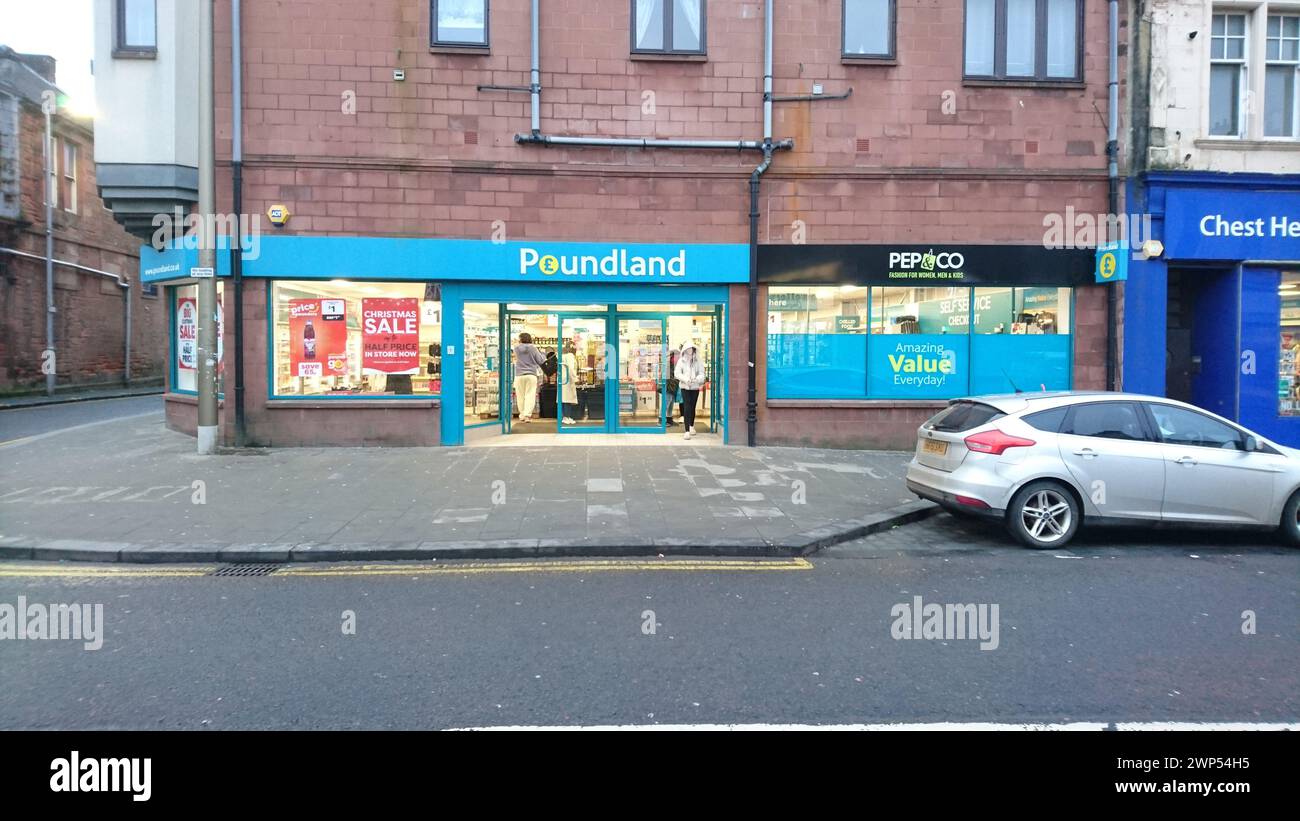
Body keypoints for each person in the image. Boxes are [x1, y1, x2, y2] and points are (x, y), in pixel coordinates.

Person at [674, 341, 706, 440]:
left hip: (695, 387)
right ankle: (686, 430)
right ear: (684, 350)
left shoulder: (698, 360)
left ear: (694, 349)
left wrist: (697, 379)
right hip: (685, 387)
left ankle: (692, 426)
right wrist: (686, 379)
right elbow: (677, 373)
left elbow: (702, 373)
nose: (690, 350)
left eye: (691, 349)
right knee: (687, 407)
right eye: (688, 349)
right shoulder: (681, 361)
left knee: (692, 407)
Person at [512, 332, 546, 423]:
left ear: (521, 339)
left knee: (520, 396)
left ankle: (522, 415)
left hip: (519, 375)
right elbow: (541, 360)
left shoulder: (516, 348)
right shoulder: (533, 348)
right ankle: (527, 416)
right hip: (531, 375)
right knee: (530, 395)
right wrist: (542, 353)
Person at [560, 341, 579, 424]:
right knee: (568, 399)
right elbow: (571, 368)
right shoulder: (570, 356)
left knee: (564, 399)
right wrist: (575, 379)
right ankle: (566, 417)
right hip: (568, 379)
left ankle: (565, 416)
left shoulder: (562, 355)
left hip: (562, 379)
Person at [665, 347, 681, 426]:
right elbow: (668, 377)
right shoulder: (668, 364)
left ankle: (669, 419)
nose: (679, 358)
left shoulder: (675, 365)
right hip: (669, 386)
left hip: (673, 386)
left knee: (671, 403)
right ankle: (661, 420)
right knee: (666, 402)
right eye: (678, 356)